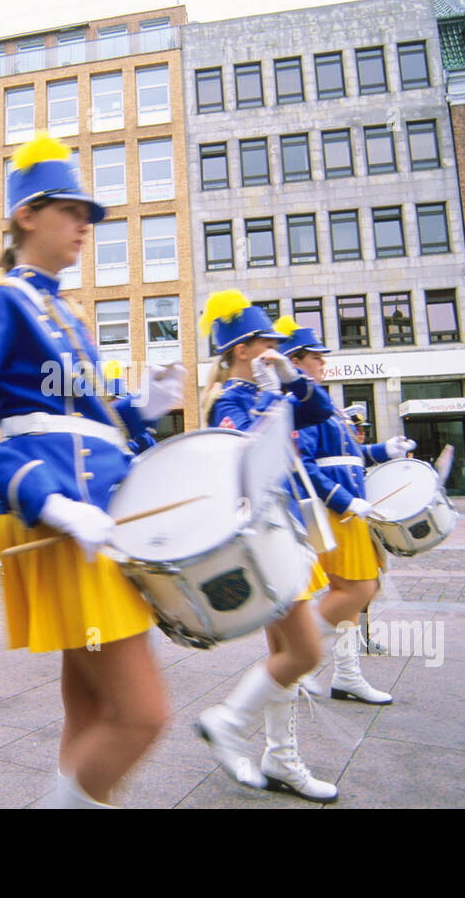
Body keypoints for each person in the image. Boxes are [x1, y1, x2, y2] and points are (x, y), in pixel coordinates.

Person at [0, 133, 186, 807]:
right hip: (59, 519)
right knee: (142, 715)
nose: (85, 224)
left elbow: (94, 419)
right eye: (71, 210)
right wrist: (49, 502)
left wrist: (147, 406)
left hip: (94, 517)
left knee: (94, 713)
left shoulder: (68, 312)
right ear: (27, 215)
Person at [194, 294, 343, 802]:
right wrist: (268, 393)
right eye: (267, 344)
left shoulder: (269, 385)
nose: (277, 350)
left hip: (285, 530)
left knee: (287, 654)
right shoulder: (226, 398)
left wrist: (288, 379)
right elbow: (247, 451)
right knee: (303, 651)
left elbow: (318, 407)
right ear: (241, 350)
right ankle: (229, 720)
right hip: (263, 535)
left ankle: (280, 758)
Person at [272, 315, 415, 708]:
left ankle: (345, 675)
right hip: (336, 512)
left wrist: (385, 451)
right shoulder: (300, 404)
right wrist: (342, 500)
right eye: (317, 357)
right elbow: (304, 465)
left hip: (350, 510)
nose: (324, 363)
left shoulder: (324, 403)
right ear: (297, 360)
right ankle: (297, 660)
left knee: (352, 596)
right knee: (354, 592)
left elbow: (347, 456)